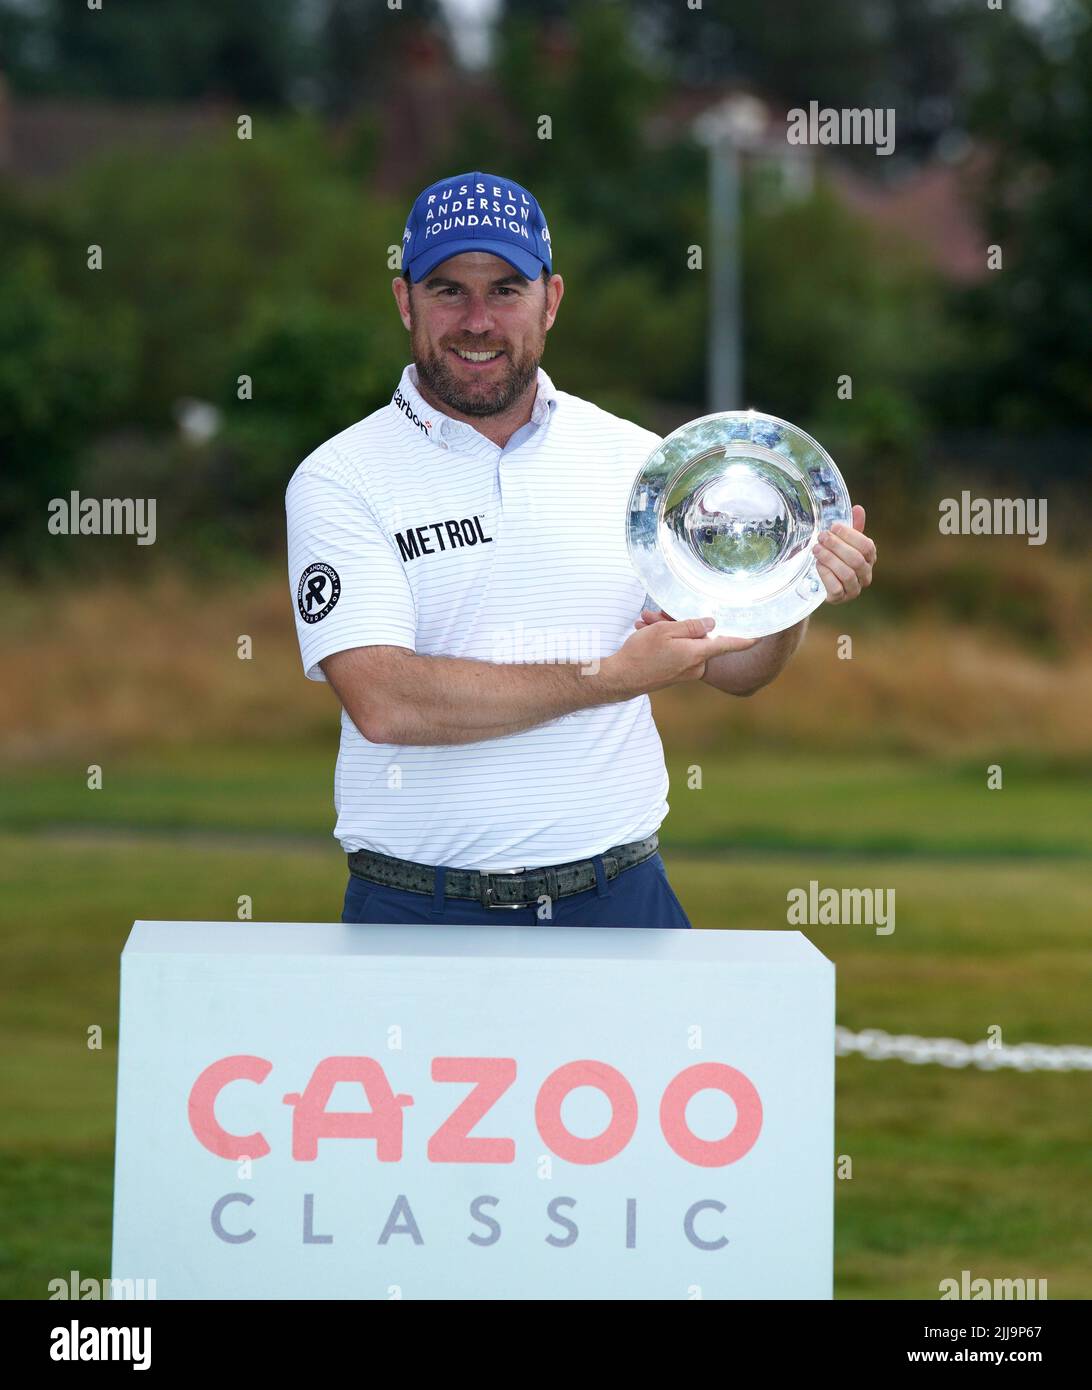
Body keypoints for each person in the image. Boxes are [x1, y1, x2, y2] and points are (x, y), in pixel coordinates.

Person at [285, 170, 876, 929]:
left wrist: (792, 589)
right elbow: (386, 701)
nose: (477, 320)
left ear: (551, 300)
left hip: (618, 897)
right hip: (416, 906)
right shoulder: (340, 476)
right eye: (447, 290)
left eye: (505, 290)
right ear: (405, 301)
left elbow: (733, 668)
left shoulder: (637, 461)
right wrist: (607, 678)